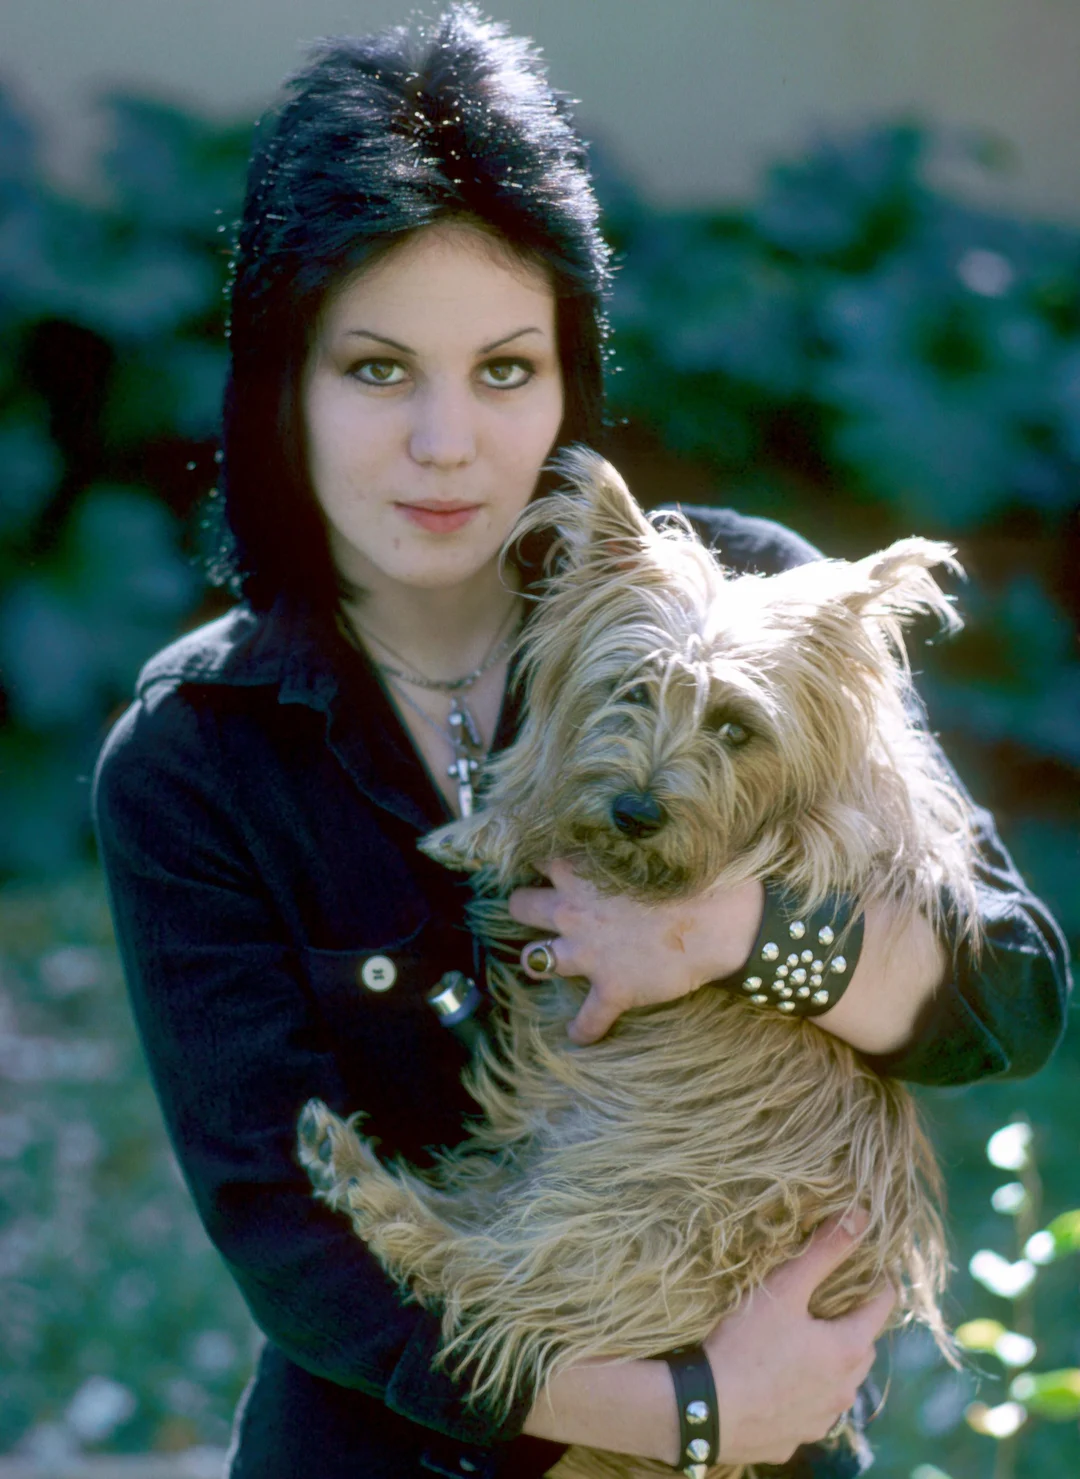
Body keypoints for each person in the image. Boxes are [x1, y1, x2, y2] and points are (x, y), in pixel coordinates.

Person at [91, 6, 1071, 1477]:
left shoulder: (742, 604)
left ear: (568, 378)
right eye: (375, 370)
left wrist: (724, 934)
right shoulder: (197, 760)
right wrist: (693, 1410)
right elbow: (295, 1245)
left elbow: (1011, 994)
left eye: (503, 369)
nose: (447, 442)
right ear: (280, 382)